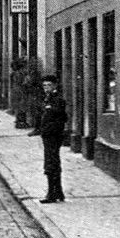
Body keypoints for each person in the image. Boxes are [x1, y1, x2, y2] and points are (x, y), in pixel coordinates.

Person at [30, 74, 68, 203]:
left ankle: (52, 194)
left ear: (55, 86)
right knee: (52, 162)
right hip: (48, 135)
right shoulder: (47, 99)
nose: (46, 88)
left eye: (49, 85)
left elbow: (61, 117)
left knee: (51, 163)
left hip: (53, 135)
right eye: (44, 85)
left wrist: (49, 128)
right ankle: (58, 192)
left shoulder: (57, 99)